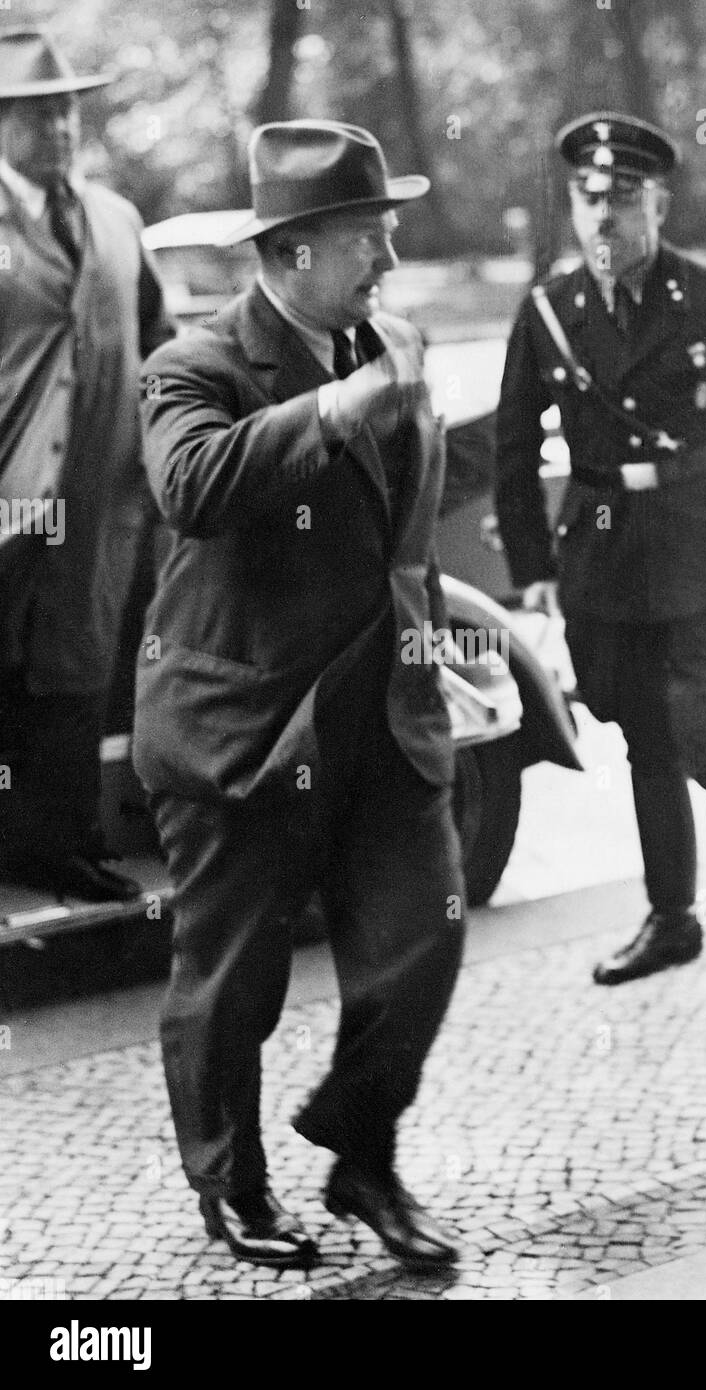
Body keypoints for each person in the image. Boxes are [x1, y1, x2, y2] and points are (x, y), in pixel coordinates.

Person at [134, 120, 465, 1271]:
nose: (385, 262)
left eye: (386, 235)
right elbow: (194, 484)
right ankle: (231, 1185)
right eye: (365, 240)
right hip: (248, 729)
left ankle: (359, 1150)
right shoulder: (193, 367)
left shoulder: (386, 347)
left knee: (422, 939)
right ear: (290, 254)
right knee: (231, 979)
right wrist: (342, 407)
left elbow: (402, 535)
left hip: (384, 720)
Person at [495, 112, 706, 1028]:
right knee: (643, 737)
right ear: (572, 204)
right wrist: (534, 569)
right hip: (605, 555)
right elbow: (515, 446)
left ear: (659, 202)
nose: (604, 216)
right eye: (589, 198)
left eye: (624, 198)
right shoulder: (550, 313)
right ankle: (671, 917)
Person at [0, 27, 174, 901]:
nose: (59, 130)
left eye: (66, 111)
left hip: (99, 493)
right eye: (36, 116)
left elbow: (161, 340)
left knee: (76, 660)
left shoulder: (116, 220)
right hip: (6, 495)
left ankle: (61, 846)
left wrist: (159, 456)